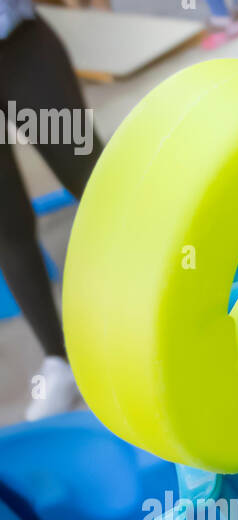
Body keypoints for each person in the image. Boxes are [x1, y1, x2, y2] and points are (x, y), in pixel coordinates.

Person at [0, 1, 102, 419]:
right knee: (5, 225)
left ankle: (178, 292)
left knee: (96, 180)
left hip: (18, 44)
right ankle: (58, 360)